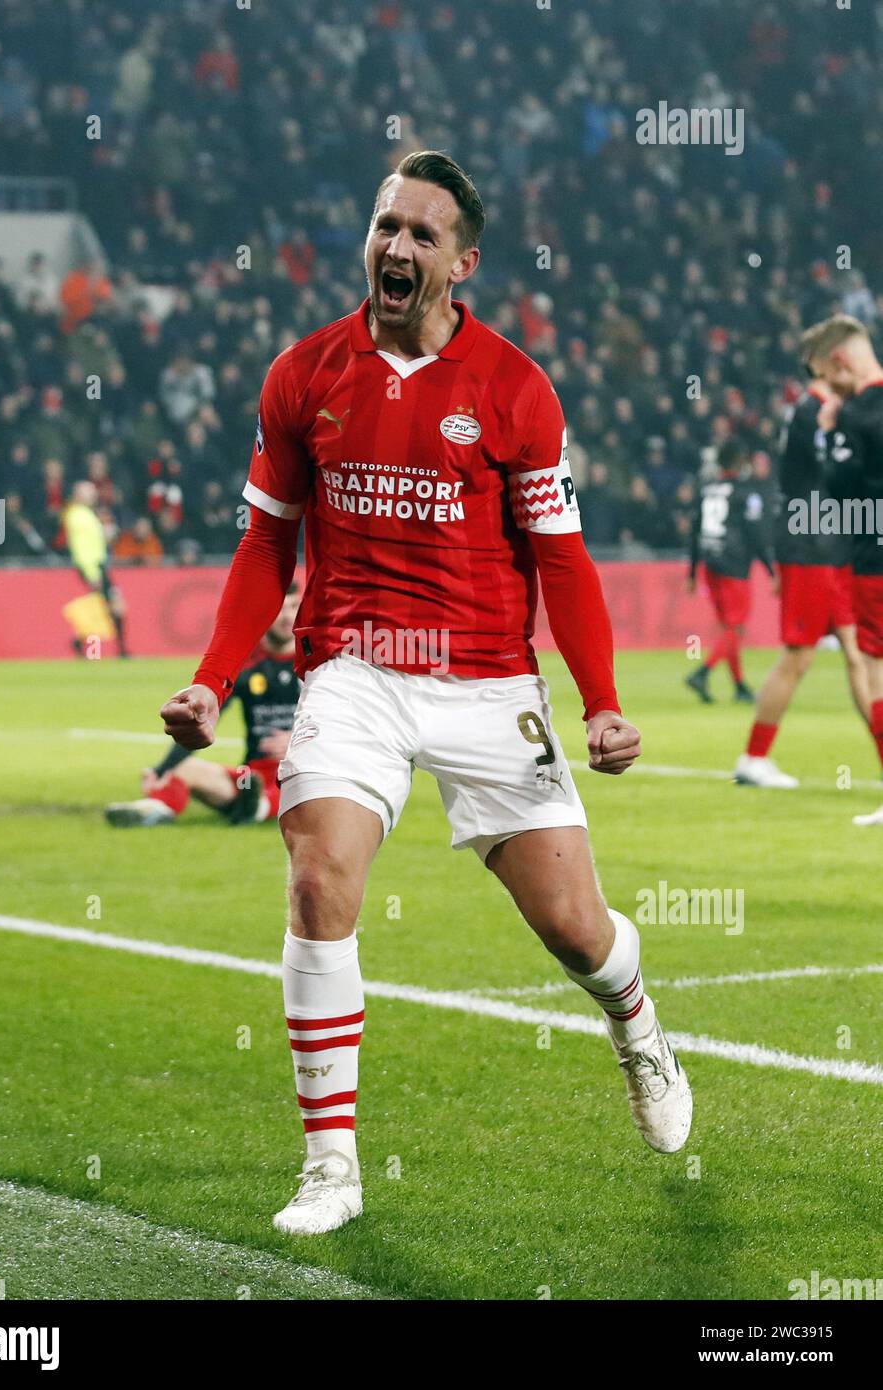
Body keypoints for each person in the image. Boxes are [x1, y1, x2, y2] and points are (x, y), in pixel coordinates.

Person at [159, 151, 691, 1237]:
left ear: (464, 264)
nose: (396, 247)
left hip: (489, 681)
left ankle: (637, 1029)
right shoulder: (305, 373)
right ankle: (331, 1167)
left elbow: (562, 558)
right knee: (320, 878)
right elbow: (266, 541)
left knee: (578, 930)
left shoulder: (514, 389)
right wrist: (212, 681)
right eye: (385, 225)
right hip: (352, 672)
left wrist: (601, 699)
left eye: (421, 235)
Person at [734, 373, 869, 788]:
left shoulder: (809, 414)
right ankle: (754, 757)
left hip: (826, 546)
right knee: (802, 657)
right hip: (816, 549)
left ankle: (755, 757)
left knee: (859, 653)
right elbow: (825, 482)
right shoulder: (814, 414)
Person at [106, 589, 300, 826]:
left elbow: (343, 723)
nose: (287, 617)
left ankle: (258, 806)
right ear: (266, 612)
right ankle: (155, 809)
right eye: (281, 609)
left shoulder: (315, 663)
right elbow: (203, 720)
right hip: (251, 777)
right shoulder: (247, 665)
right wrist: (161, 770)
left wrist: (297, 740)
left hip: (299, 769)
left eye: (293, 607)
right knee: (183, 769)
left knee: (308, 781)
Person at [801, 316, 883, 825]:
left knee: (874, 675)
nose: (825, 390)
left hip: (875, 559)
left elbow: (839, 493)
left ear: (840, 361)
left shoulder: (856, 416)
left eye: (825, 378)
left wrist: (829, 434)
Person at [685, 439, 776, 705]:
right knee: (736, 627)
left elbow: (694, 530)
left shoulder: (707, 489)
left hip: (709, 563)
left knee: (729, 627)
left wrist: (692, 572)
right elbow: (755, 534)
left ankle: (739, 686)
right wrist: (771, 570)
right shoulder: (746, 492)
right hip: (734, 565)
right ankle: (703, 672)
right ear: (739, 462)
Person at [63, 480, 129, 657]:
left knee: (107, 606)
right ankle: (120, 650)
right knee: (113, 606)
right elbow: (81, 548)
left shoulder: (85, 514)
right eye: (88, 492)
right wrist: (92, 572)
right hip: (94, 568)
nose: (93, 495)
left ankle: (81, 643)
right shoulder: (77, 516)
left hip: (99, 567)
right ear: (77, 495)